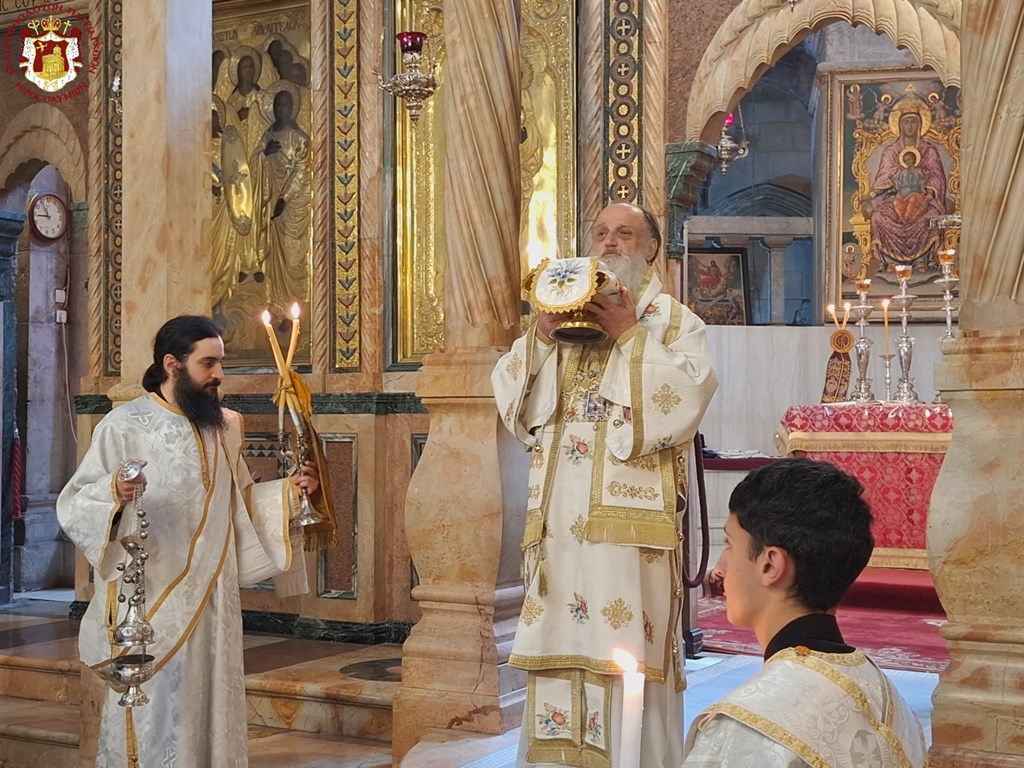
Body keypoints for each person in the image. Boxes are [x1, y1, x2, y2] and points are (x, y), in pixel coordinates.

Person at [491, 202, 718, 768]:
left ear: (651, 249)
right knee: (558, 647)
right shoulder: (560, 318)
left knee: (626, 651)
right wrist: (542, 339)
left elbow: (686, 398)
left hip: (626, 535)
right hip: (557, 532)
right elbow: (515, 405)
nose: (610, 243)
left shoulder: (673, 322)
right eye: (600, 234)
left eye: (625, 234)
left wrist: (628, 336)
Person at [57, 316, 320, 768]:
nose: (219, 374)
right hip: (150, 601)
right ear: (172, 364)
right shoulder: (124, 425)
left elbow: (238, 501)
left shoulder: (226, 426)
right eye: (208, 363)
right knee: (155, 712)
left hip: (213, 597)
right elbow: (75, 502)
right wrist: (113, 492)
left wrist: (291, 496)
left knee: (207, 706)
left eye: (221, 363)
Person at [681, 458, 927, 767]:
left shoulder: (745, 728)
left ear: (770, 565)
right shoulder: (892, 702)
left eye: (729, 545)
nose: (720, 568)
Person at [862, 96, 948, 271]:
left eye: (913, 122)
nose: (910, 126)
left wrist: (928, 196)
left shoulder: (929, 151)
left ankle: (924, 260)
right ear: (900, 125)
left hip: (922, 199)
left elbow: (936, 176)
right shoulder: (891, 151)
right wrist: (872, 194)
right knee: (879, 217)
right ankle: (890, 262)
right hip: (896, 198)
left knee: (931, 216)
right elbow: (884, 178)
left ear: (920, 124)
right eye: (906, 122)